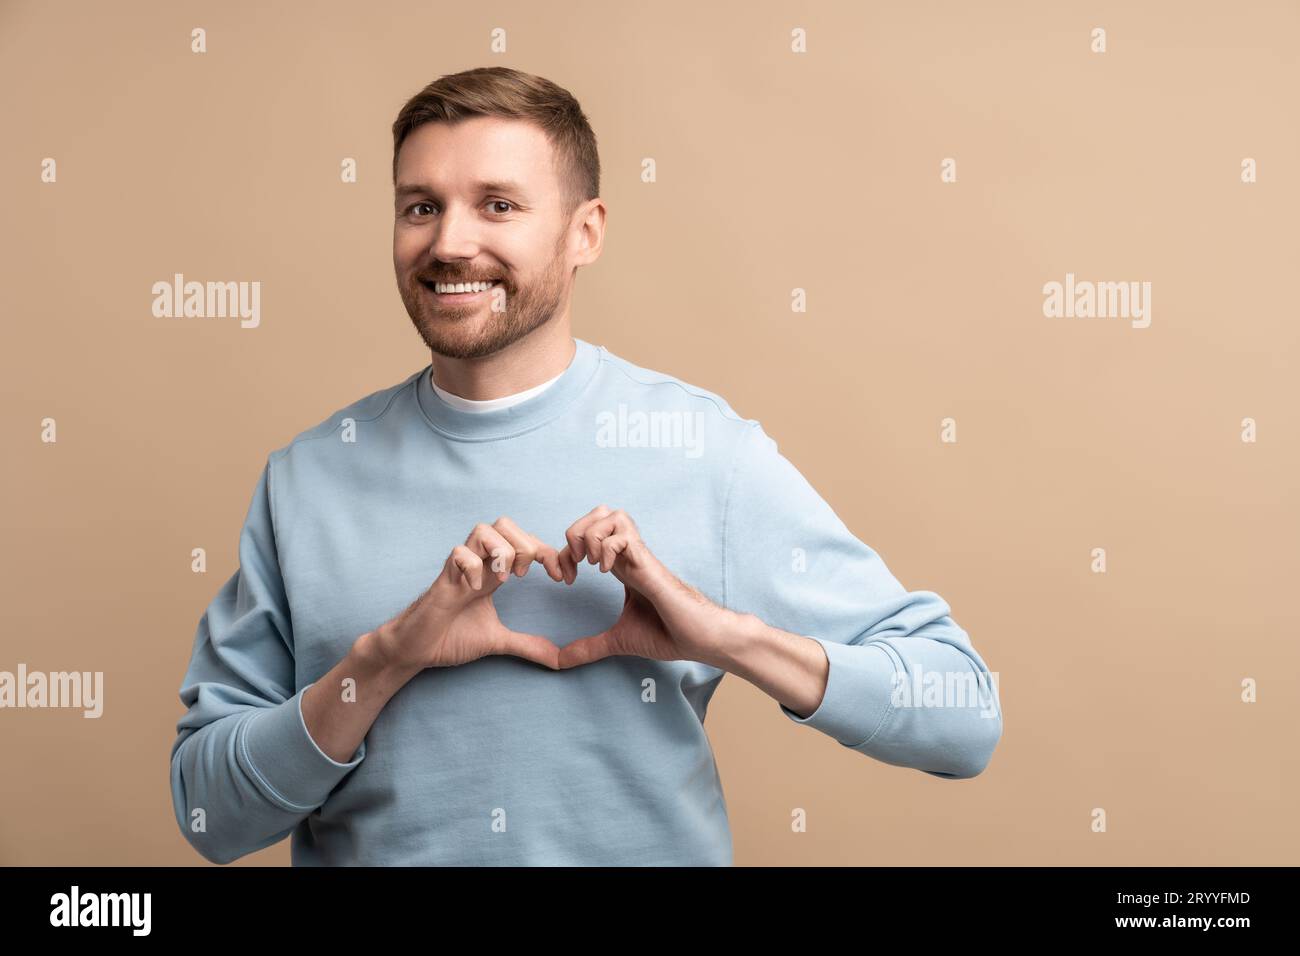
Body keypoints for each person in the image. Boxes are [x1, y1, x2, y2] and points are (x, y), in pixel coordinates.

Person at [169, 66, 1002, 866]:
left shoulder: (703, 452)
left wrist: (726, 636)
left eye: (498, 204)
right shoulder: (307, 480)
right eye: (421, 206)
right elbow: (210, 816)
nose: (451, 243)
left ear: (585, 231)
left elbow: (963, 715)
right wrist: (385, 660)